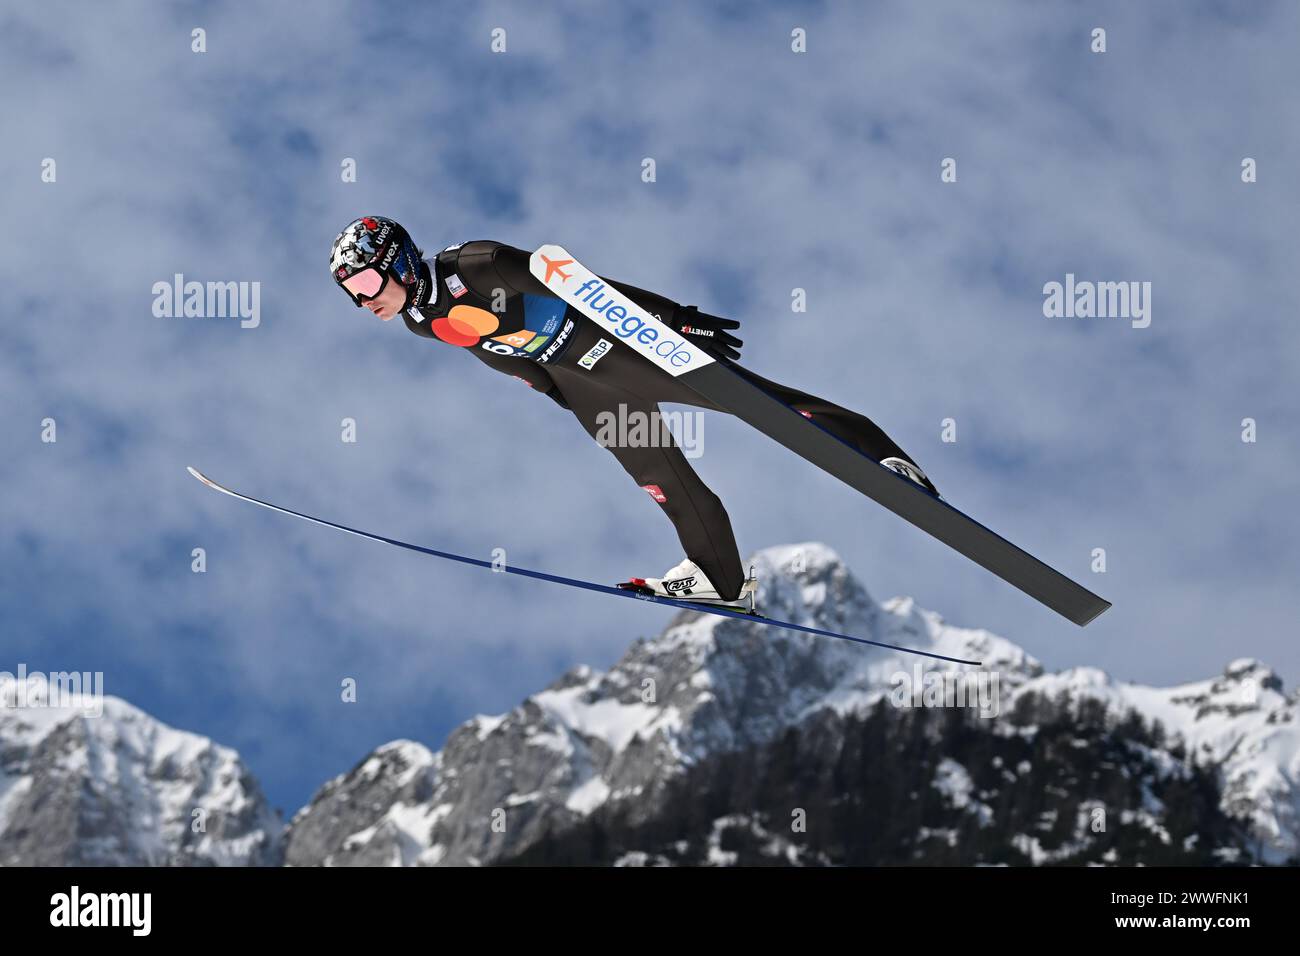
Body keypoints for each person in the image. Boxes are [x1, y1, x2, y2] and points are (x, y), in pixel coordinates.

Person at [329, 216, 936, 606]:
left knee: (765, 408)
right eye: (354, 296)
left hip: (624, 346)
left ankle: (882, 457)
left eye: (368, 285)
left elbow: (581, 284)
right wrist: (557, 393)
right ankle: (720, 579)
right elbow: (497, 350)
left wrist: (674, 319)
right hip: (588, 384)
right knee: (663, 481)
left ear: (401, 262)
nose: (365, 303)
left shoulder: (476, 264)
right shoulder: (419, 323)